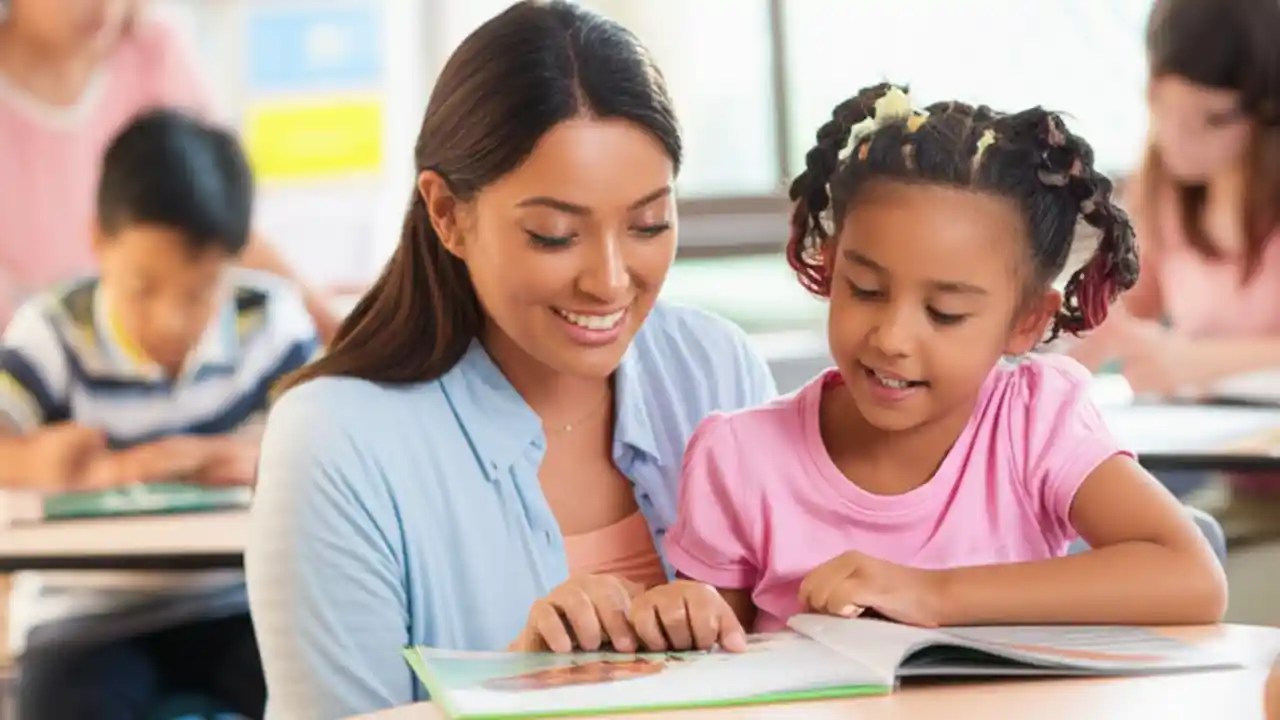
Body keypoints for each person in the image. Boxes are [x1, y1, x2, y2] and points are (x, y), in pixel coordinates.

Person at [245, 2, 774, 718]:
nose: (611, 281)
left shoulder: (717, 371)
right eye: (556, 235)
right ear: (446, 214)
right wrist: (513, 688)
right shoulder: (334, 441)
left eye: (649, 223)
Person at [620, 84, 1226, 648]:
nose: (892, 339)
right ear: (830, 266)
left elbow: (1192, 576)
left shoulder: (1033, 423)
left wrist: (932, 593)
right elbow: (713, 660)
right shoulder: (740, 458)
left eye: (945, 312)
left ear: (1026, 322)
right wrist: (674, 618)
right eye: (865, 289)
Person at [1, 108, 318, 718]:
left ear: (236, 258)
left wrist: (260, 458)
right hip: (86, 618)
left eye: (200, 291)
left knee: (326, 691)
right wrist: (35, 460)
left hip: (238, 604)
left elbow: (336, 444)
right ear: (98, 241)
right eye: (144, 286)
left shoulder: (269, 322)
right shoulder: (53, 333)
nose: (172, 319)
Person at [0, 0, 339, 338]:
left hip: (174, 356)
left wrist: (337, 330)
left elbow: (221, 220)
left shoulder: (153, 49)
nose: (102, 6)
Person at [1070, 0, 1280, 394]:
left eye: (1213, 118)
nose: (1177, 137)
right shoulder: (1163, 194)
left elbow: (1178, 359)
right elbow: (1131, 306)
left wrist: (1191, 362)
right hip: (1203, 437)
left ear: (1266, 115)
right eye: (1161, 103)